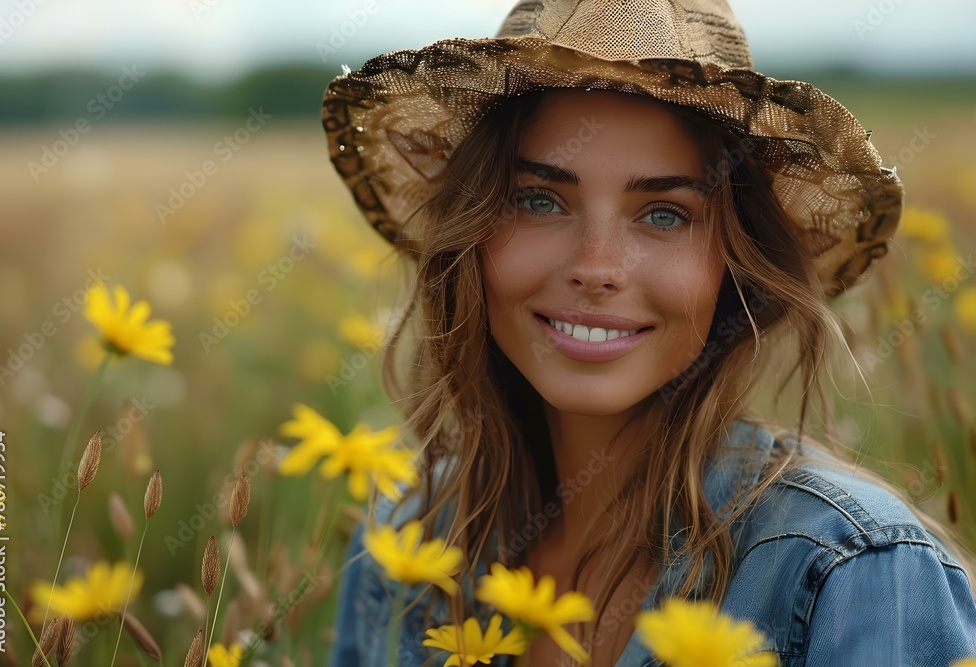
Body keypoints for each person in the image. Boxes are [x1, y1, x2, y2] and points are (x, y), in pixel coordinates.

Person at [320, 0, 976, 665]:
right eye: (539, 199)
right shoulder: (402, 548)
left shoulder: (856, 574)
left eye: (663, 214)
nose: (596, 268)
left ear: (738, 261)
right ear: (470, 232)